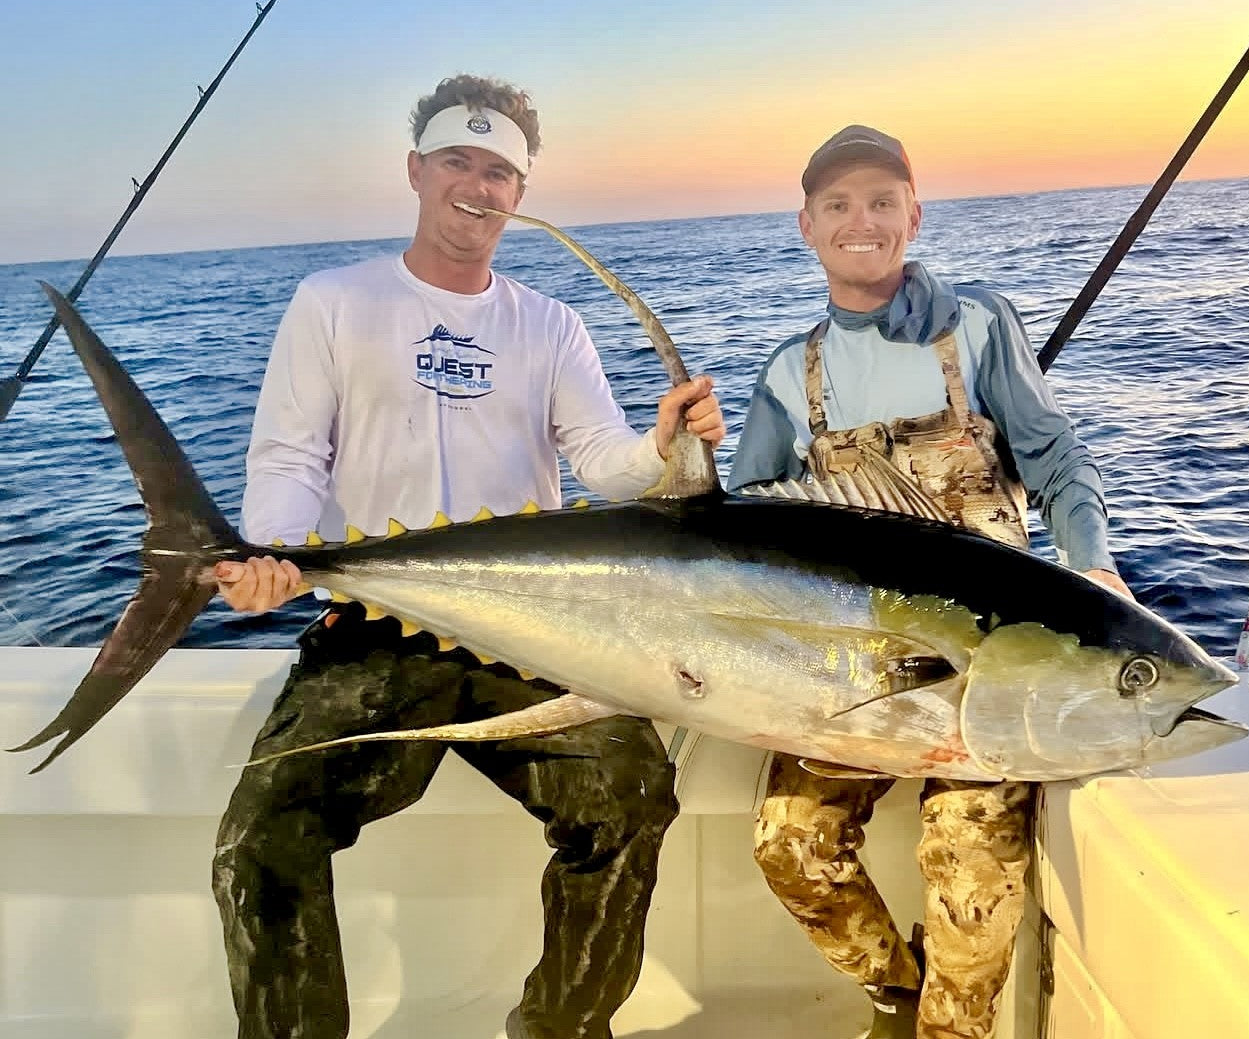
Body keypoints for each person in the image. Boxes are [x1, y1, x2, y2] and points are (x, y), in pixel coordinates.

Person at [209, 73, 726, 1039]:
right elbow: (289, 454)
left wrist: (661, 446)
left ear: (520, 194)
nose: (477, 186)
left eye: (498, 171)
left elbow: (601, 460)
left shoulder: (550, 324)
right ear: (415, 169)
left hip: (532, 632)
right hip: (373, 627)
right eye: (458, 161)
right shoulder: (333, 301)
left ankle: (560, 1029)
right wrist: (268, 553)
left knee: (630, 794)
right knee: (258, 838)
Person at [728, 124, 1131, 1039]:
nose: (859, 221)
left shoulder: (977, 322)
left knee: (972, 876)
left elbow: (1058, 461)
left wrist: (1093, 564)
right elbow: (745, 525)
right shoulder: (791, 373)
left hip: (986, 673)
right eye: (837, 204)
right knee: (789, 845)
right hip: (848, 676)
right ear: (806, 225)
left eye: (880, 201)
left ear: (915, 213)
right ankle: (896, 990)